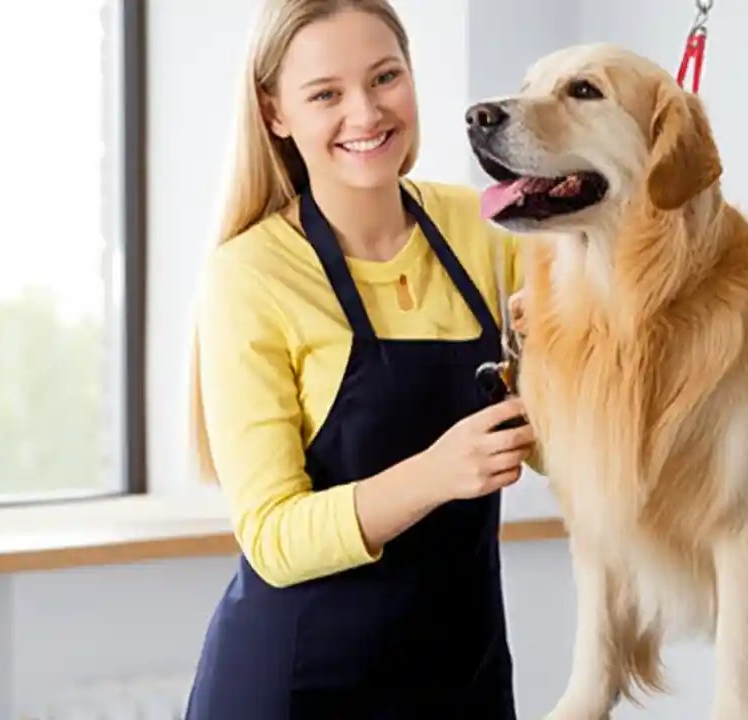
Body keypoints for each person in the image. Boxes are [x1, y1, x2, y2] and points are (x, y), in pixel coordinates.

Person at [182, 1, 539, 717]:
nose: (366, 113)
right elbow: (272, 538)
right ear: (275, 112)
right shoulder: (252, 273)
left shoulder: (484, 229)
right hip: (300, 686)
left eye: (385, 78)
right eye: (325, 94)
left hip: (461, 678)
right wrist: (434, 476)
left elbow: (570, 433)